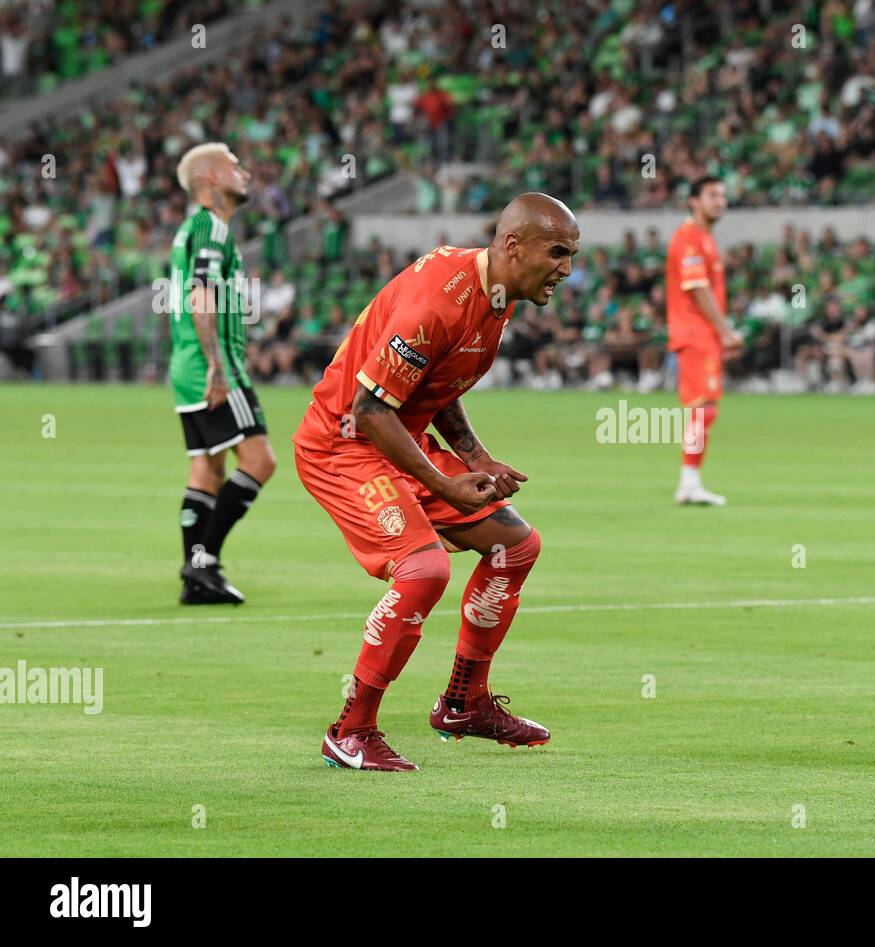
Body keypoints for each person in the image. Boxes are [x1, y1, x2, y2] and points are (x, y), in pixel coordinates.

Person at [293, 193, 579, 771]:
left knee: (515, 546)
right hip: (343, 444)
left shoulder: (497, 296)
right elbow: (369, 409)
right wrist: (446, 485)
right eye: (557, 252)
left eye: (571, 254)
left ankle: (463, 702)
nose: (567, 269)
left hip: (395, 437)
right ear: (512, 245)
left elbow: (438, 386)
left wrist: (476, 458)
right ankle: (351, 731)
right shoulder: (439, 300)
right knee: (425, 570)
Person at [169, 143, 276, 606]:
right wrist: (216, 364)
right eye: (235, 165)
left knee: (207, 470)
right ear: (213, 177)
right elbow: (200, 293)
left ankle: (197, 580)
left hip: (186, 365)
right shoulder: (209, 226)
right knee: (260, 461)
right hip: (213, 363)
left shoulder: (193, 229)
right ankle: (203, 564)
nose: (245, 172)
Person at [665, 177, 742, 505]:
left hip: (702, 334)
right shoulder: (690, 239)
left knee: (705, 408)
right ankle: (689, 483)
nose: (720, 201)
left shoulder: (705, 239)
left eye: (723, 195)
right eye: (712, 195)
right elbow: (697, 289)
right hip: (696, 333)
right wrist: (725, 330)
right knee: (702, 408)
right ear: (694, 201)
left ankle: (691, 481)